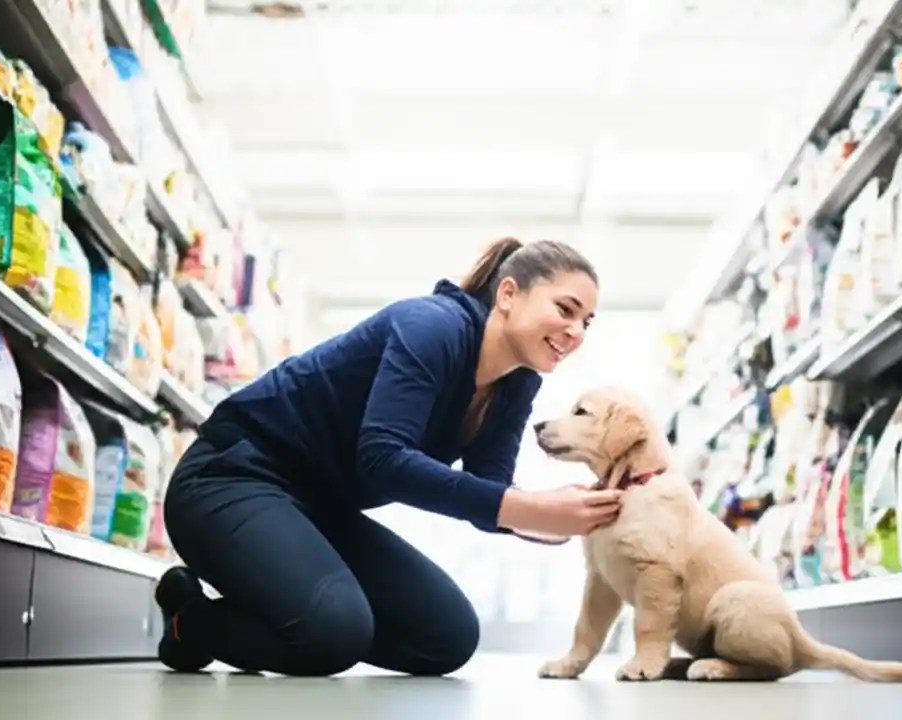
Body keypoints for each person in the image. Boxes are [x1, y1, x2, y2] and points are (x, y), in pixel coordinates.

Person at [155, 238, 622, 678]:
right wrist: (530, 509)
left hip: (316, 510)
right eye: (566, 309)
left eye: (588, 322)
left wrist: (563, 517)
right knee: (334, 631)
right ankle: (193, 622)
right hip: (229, 477)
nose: (576, 331)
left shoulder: (517, 382)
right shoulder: (432, 326)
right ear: (507, 294)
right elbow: (382, 459)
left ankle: (261, 613)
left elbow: (489, 488)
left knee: (447, 637)